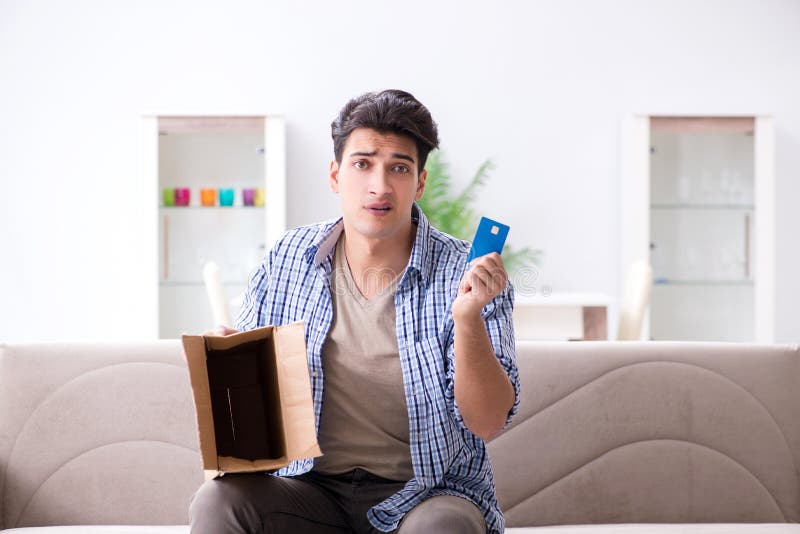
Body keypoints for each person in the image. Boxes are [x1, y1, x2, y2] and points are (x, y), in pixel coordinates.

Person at [188, 89, 519, 534]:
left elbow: (488, 422)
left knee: (444, 527)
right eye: (362, 164)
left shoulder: (470, 274)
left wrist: (467, 319)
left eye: (399, 168)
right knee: (220, 500)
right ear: (335, 174)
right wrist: (234, 363)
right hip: (310, 491)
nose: (379, 186)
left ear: (420, 183)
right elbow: (253, 411)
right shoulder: (288, 258)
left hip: (426, 494)